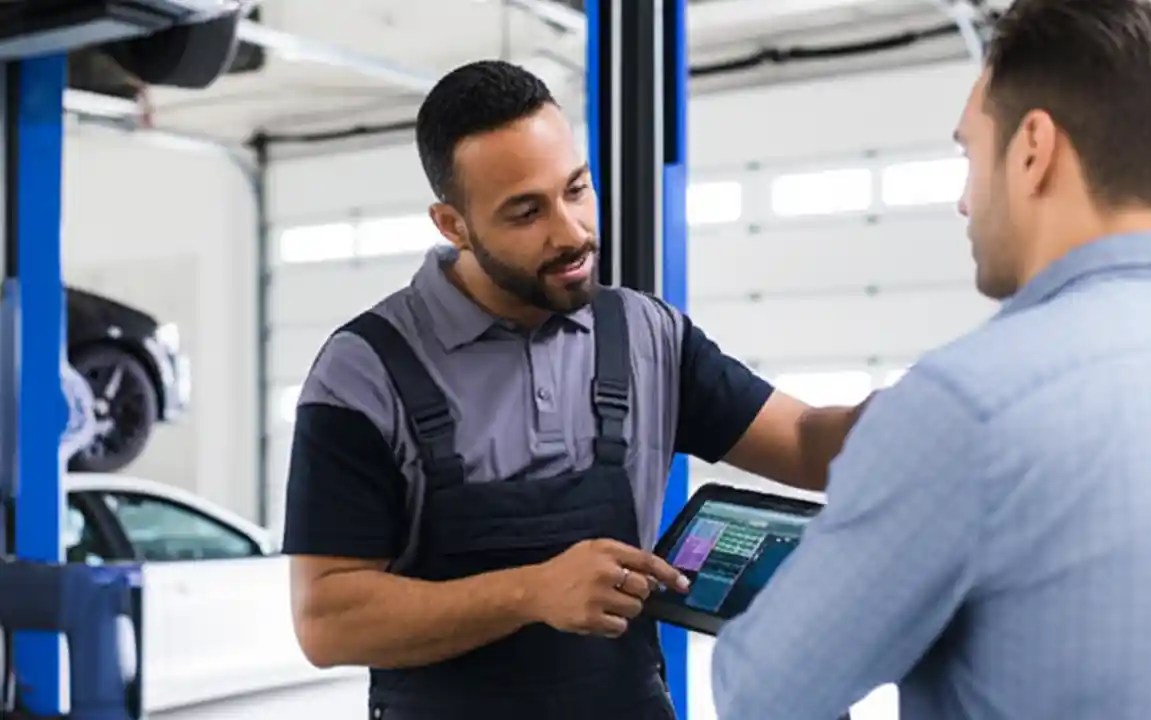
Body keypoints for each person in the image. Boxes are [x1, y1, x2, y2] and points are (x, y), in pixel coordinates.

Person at [711, 1, 1151, 719]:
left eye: (968, 154)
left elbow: (764, 693)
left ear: (1034, 148)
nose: (962, 200)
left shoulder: (966, 404)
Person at [281, 59, 864, 720]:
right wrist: (532, 592)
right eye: (526, 212)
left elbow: (807, 443)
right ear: (453, 225)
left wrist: (941, 403)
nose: (572, 232)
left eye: (577, 189)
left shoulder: (647, 335)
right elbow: (326, 619)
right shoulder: (363, 372)